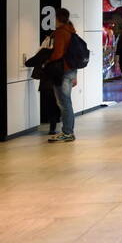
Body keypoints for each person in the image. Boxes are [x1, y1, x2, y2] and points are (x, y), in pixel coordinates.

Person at [47, 8, 79, 143]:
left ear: (58, 18)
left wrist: (47, 61)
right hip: (71, 70)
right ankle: (68, 131)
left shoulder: (61, 33)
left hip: (63, 72)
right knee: (66, 102)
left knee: (63, 103)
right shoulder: (71, 31)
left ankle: (67, 132)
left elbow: (58, 53)